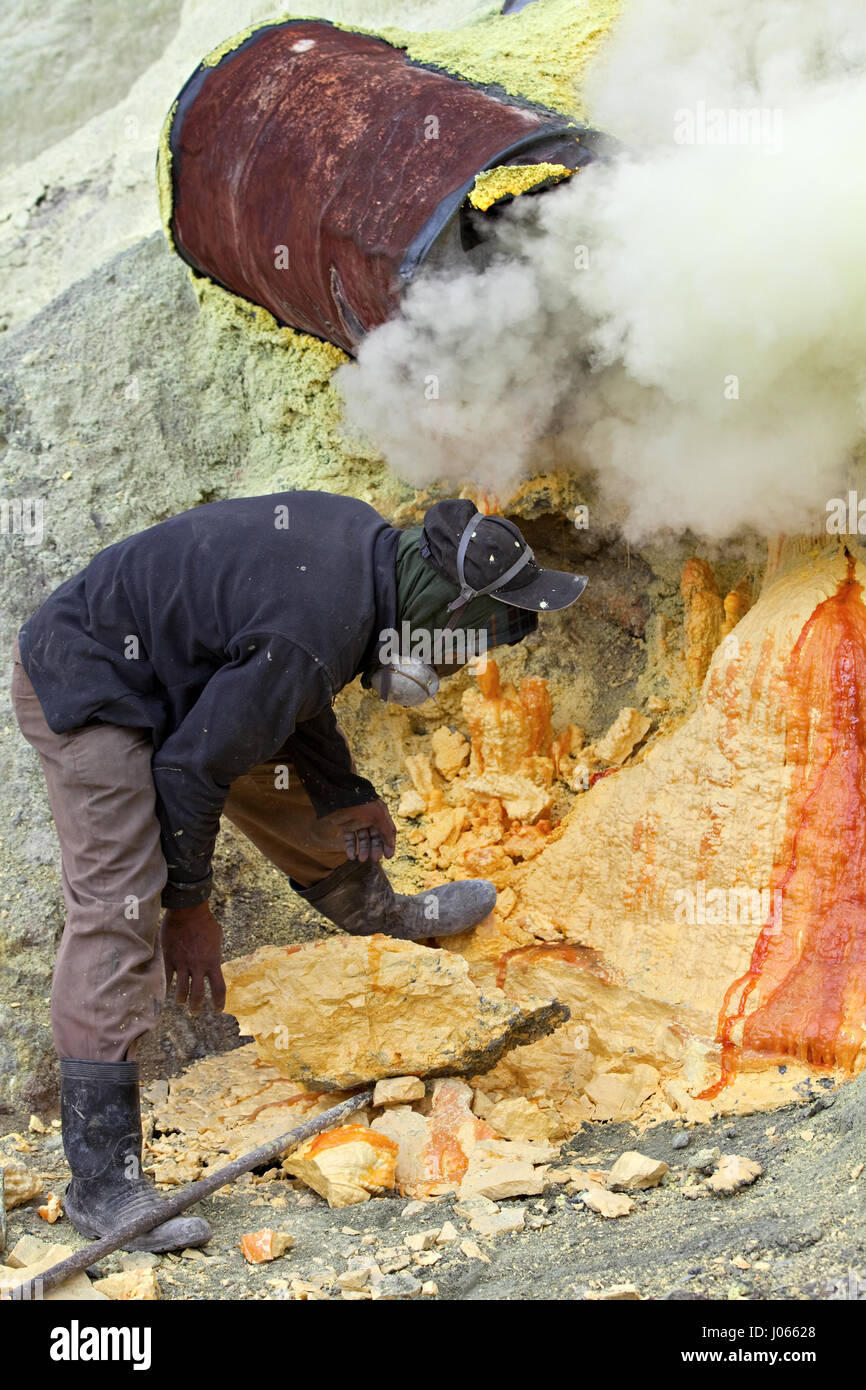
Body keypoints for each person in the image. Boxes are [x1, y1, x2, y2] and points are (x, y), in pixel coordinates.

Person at [11, 491, 587, 1250]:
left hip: (178, 683)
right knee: (121, 905)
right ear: (444, 608)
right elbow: (191, 768)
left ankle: (384, 916)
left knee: (292, 778)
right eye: (463, 646)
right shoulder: (317, 625)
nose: (457, 666)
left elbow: (293, 697)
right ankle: (103, 1184)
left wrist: (345, 792)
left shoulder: (367, 559)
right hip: (91, 684)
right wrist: (186, 912)